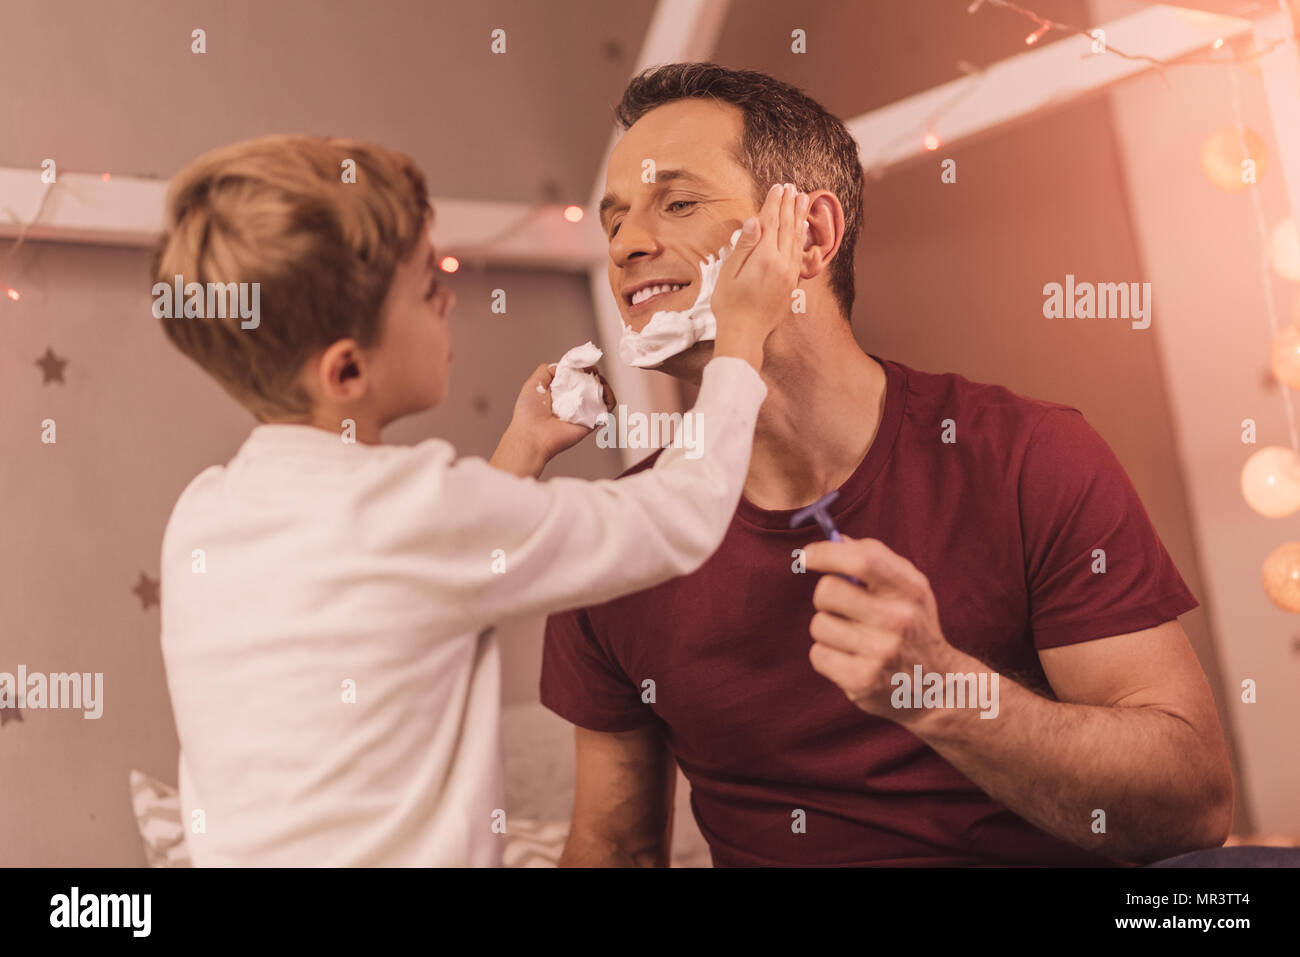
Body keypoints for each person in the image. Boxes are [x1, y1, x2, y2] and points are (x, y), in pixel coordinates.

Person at [541, 63, 1234, 867]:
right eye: (614, 220)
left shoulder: (1027, 456)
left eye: (679, 202)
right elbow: (613, 847)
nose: (625, 245)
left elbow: (1193, 803)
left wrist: (943, 690)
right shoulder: (611, 547)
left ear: (809, 237)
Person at [152, 133, 807, 865]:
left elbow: (418, 580)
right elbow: (681, 519)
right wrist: (740, 335)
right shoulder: (414, 506)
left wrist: (523, 449)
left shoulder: (201, 517)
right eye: (429, 287)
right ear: (346, 370)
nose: (449, 297)